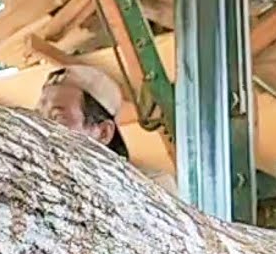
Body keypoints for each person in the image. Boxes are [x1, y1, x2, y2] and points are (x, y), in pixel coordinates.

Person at [37, 64, 178, 193]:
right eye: (36, 117)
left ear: (104, 133)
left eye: (58, 118)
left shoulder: (152, 188)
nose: (40, 127)